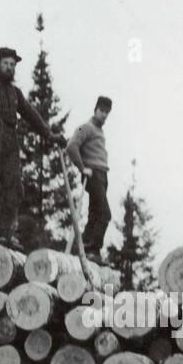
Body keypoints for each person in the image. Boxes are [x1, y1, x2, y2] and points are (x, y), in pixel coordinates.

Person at [0, 47, 63, 247]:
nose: (9, 68)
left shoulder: (15, 93)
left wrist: (49, 134)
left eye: (12, 65)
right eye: (5, 63)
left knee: (15, 189)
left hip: (10, 146)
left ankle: (7, 232)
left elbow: (31, 115)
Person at [66, 96, 113, 260]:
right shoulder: (85, 127)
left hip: (102, 175)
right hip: (92, 174)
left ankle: (85, 246)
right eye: (102, 111)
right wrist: (82, 168)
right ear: (95, 110)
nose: (104, 115)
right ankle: (93, 249)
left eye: (107, 112)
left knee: (95, 213)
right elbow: (71, 146)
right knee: (105, 214)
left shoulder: (99, 131)